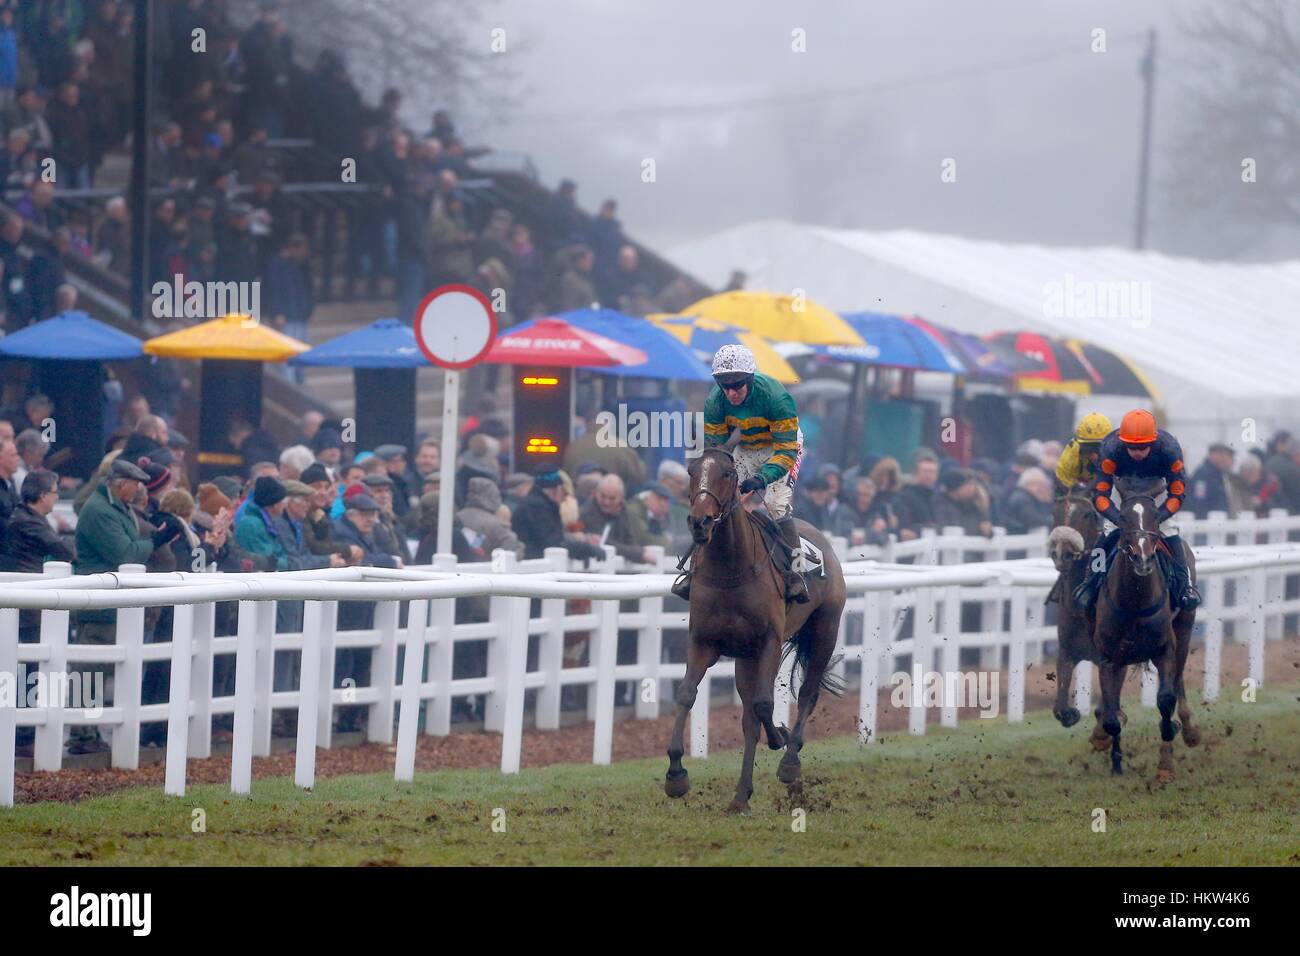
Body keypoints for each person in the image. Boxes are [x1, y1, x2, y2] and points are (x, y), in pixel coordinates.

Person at [671, 344, 808, 603]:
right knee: (719, 502)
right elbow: (717, 451)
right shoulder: (715, 401)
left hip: (782, 447)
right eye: (725, 385)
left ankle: (796, 574)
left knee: (777, 505)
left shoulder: (777, 398)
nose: (731, 392)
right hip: (747, 447)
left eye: (737, 385)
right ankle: (693, 570)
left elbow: (786, 450)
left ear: (750, 380)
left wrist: (762, 477)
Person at [72, 458, 184, 753]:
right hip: (99, 605)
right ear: (121, 483)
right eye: (135, 484)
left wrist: (151, 538)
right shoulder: (99, 511)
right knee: (90, 671)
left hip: (111, 603)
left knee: (100, 670)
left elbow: (130, 545)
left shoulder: (114, 507)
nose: (138, 490)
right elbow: (125, 552)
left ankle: (89, 733)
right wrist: (157, 539)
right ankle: (82, 735)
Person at [1073, 409, 1201, 611]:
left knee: (1170, 533)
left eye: (1143, 447)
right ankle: (1090, 583)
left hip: (1157, 489)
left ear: (1153, 441)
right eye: (1132, 447)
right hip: (1121, 487)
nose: (1137, 452)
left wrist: (1159, 517)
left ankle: (1185, 588)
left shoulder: (1170, 449)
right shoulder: (1110, 448)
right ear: (1123, 442)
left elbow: (1177, 493)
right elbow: (1100, 496)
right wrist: (1118, 518)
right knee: (1106, 535)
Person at [511, 469, 606, 562]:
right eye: (564, 493)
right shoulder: (538, 508)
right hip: (534, 568)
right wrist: (584, 549)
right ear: (556, 489)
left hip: (533, 566)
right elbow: (553, 542)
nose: (565, 499)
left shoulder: (535, 505)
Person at [1054, 413, 1113, 496]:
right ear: (1080, 445)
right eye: (1088, 449)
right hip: (1074, 488)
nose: (1094, 456)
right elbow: (1063, 483)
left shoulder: (1116, 453)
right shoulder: (1070, 456)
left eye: (1098, 449)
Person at [1001, 467, 1055, 535]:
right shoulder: (1022, 498)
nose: (1042, 487)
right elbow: (1033, 520)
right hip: (1018, 537)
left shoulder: (1032, 497)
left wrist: (1047, 502)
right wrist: (1054, 520)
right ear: (1028, 483)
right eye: (1039, 484)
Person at [1188, 442, 1235, 518]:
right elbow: (1199, 499)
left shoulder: (1218, 473)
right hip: (1208, 520)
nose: (1223, 458)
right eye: (1220, 454)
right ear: (1213, 454)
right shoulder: (1203, 473)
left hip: (1218, 519)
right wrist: (1203, 520)